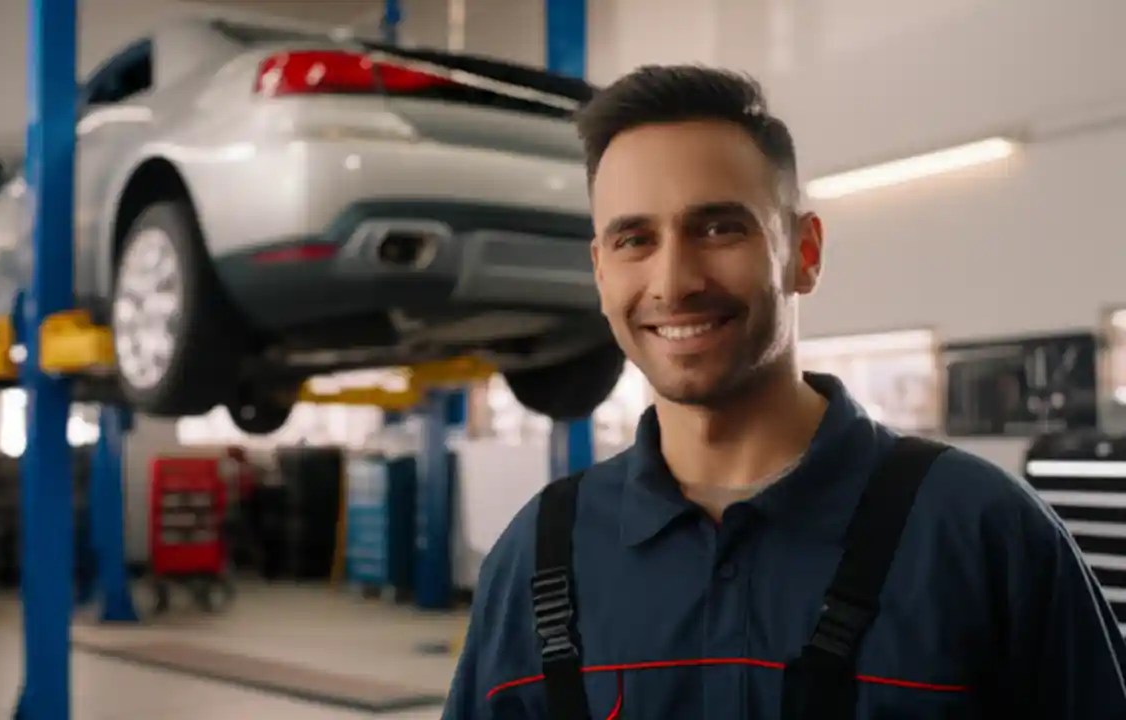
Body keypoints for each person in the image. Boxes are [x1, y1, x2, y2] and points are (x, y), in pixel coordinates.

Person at [442, 65, 1126, 719]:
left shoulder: (982, 534)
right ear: (600, 271)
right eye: (634, 239)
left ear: (804, 252)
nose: (674, 282)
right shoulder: (538, 558)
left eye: (718, 228)